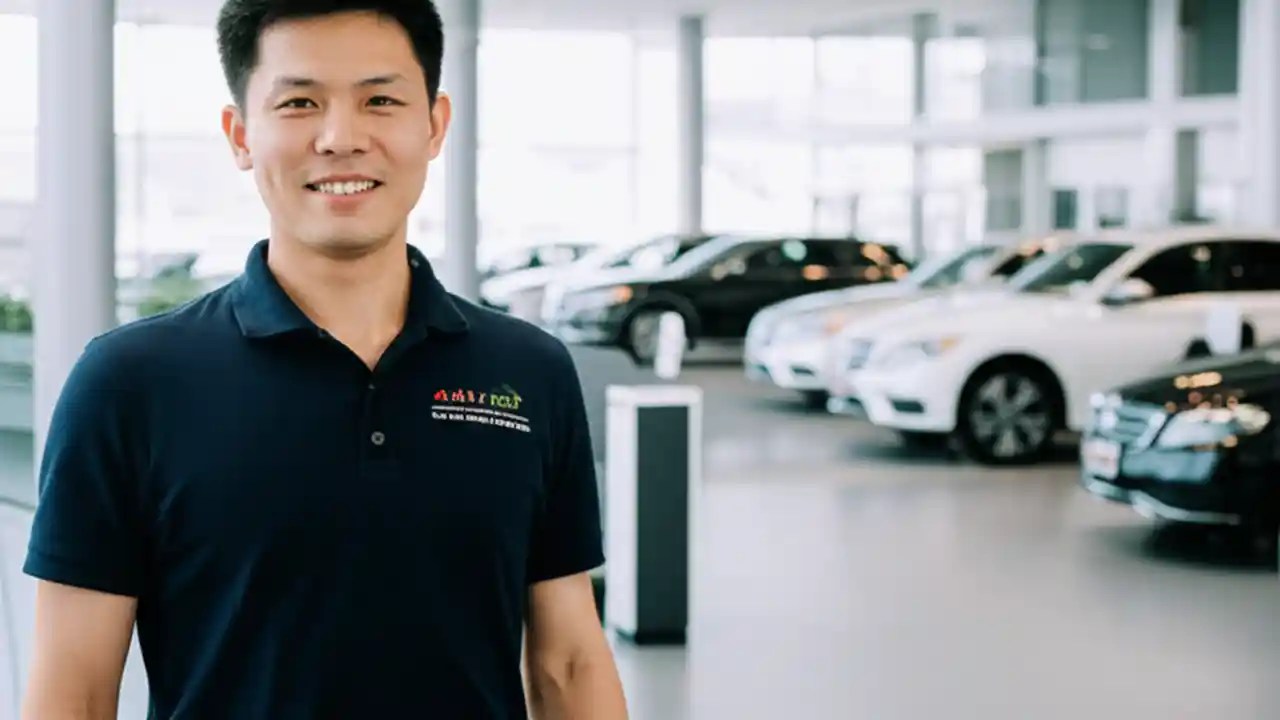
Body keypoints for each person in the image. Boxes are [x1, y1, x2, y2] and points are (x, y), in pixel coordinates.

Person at [20, 1, 628, 717]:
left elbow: (569, 662)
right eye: (300, 102)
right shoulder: (130, 382)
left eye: (380, 100)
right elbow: (74, 687)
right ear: (241, 133)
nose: (341, 138)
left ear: (433, 125)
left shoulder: (528, 372)